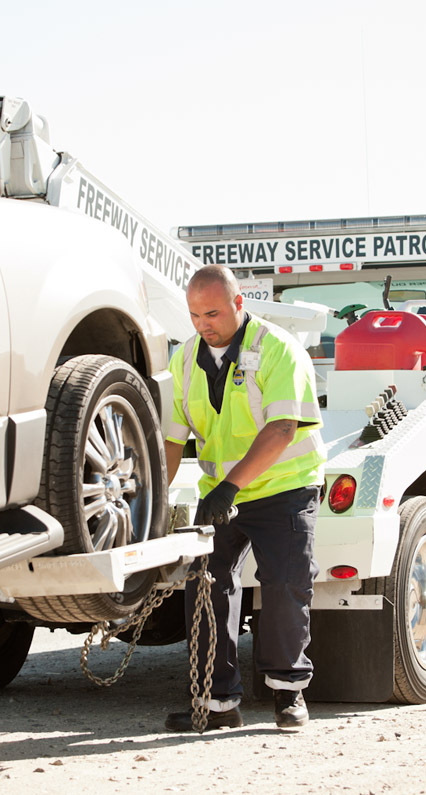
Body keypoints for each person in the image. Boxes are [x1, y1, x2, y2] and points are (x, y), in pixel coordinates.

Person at [162, 264, 325, 731]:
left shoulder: (277, 349)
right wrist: (156, 497)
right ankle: (216, 704)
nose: (202, 324)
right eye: (193, 315)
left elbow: (282, 428)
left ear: (238, 303)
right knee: (206, 587)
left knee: (284, 586)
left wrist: (232, 486)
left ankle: (288, 694)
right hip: (221, 493)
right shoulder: (185, 359)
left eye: (211, 313)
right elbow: (173, 440)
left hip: (283, 486)